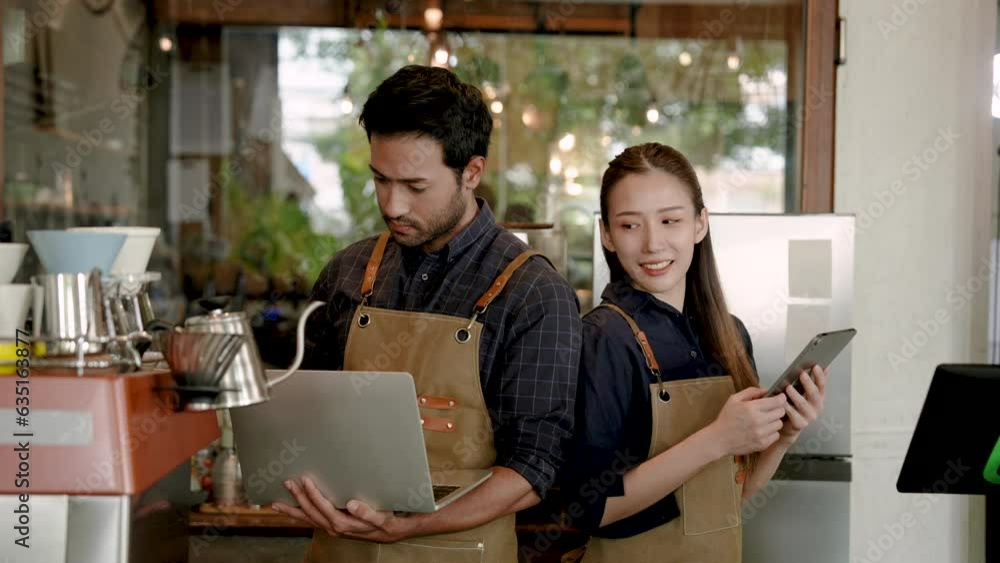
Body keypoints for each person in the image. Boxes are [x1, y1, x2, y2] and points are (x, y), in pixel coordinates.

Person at [271, 65, 582, 563]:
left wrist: (411, 526)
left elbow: (534, 470)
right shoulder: (347, 272)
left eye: (415, 186)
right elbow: (305, 422)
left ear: (472, 172)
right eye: (380, 180)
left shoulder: (532, 293)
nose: (392, 205)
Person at [565, 142, 828, 562]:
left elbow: (730, 496)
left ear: (700, 225)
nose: (653, 243)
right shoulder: (604, 339)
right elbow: (590, 508)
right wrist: (718, 438)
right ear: (607, 235)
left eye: (670, 220)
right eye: (631, 225)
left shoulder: (729, 334)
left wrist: (783, 437)